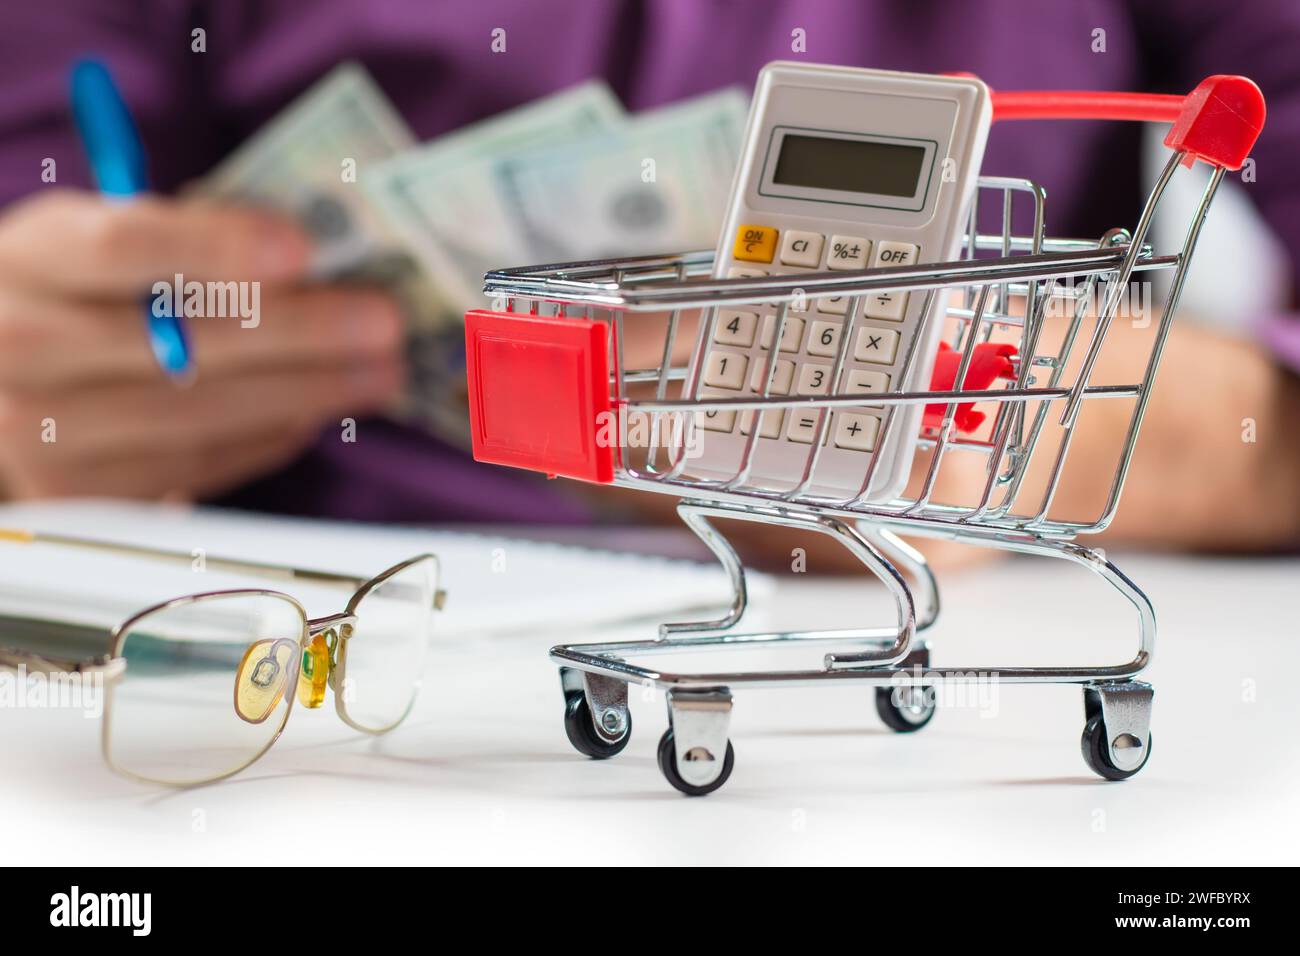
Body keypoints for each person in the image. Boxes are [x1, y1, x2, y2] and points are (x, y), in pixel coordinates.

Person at [1, 0, 1297, 562]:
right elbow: (43, 180)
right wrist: (40, 385)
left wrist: (1065, 432)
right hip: (307, 606)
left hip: (974, 644)